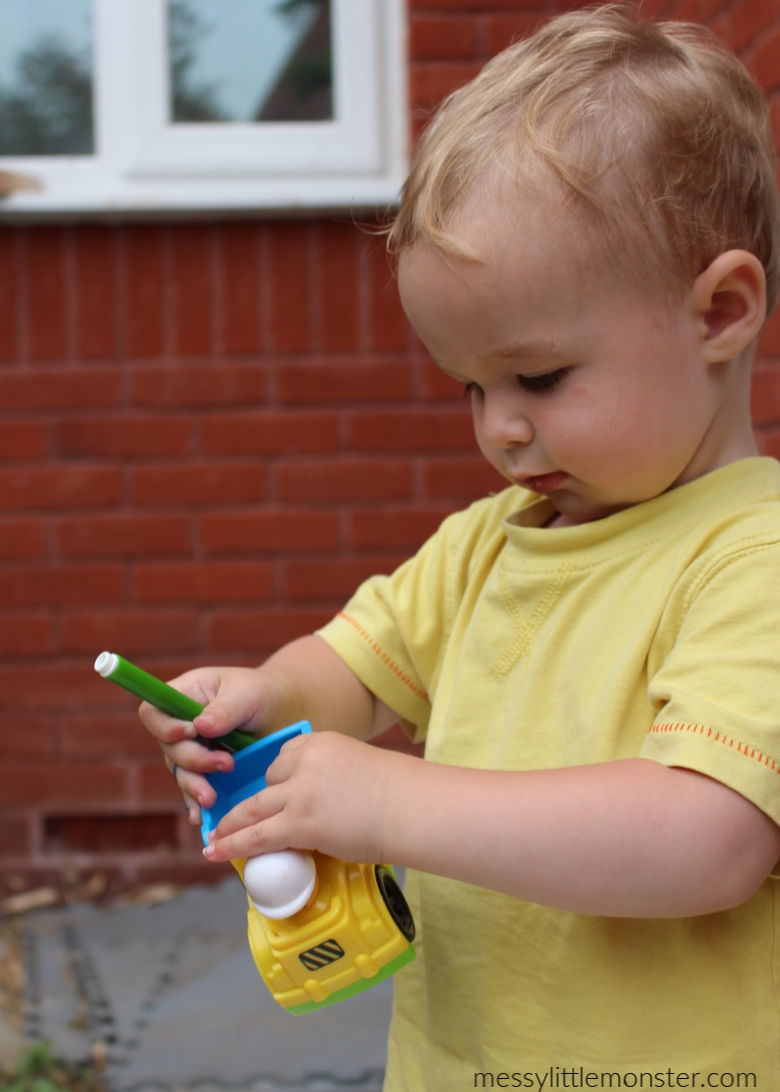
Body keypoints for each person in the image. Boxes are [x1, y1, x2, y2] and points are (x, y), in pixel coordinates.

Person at [141, 5, 780, 1088]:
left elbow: (708, 839)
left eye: (539, 376)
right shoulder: (488, 545)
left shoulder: (751, 556)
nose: (501, 428)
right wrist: (256, 703)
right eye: (472, 386)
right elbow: (346, 673)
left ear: (720, 311)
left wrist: (387, 803)